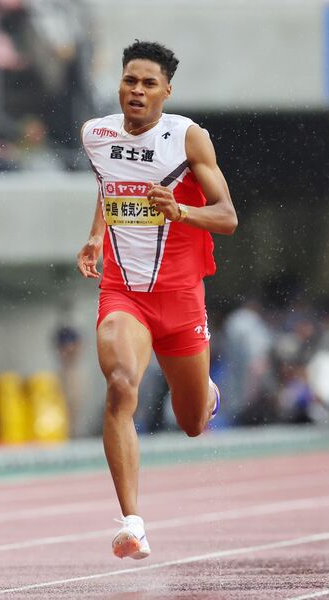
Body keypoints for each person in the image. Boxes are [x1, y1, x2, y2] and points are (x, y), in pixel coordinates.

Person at [76, 41, 238, 560]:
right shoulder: (96, 134)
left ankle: (204, 391)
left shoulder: (187, 137)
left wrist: (182, 212)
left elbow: (228, 216)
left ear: (167, 91)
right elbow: (110, 184)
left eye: (149, 83)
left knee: (192, 423)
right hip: (123, 293)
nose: (137, 90)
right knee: (121, 385)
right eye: (130, 80)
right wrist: (97, 234)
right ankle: (132, 523)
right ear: (119, 85)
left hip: (181, 298)